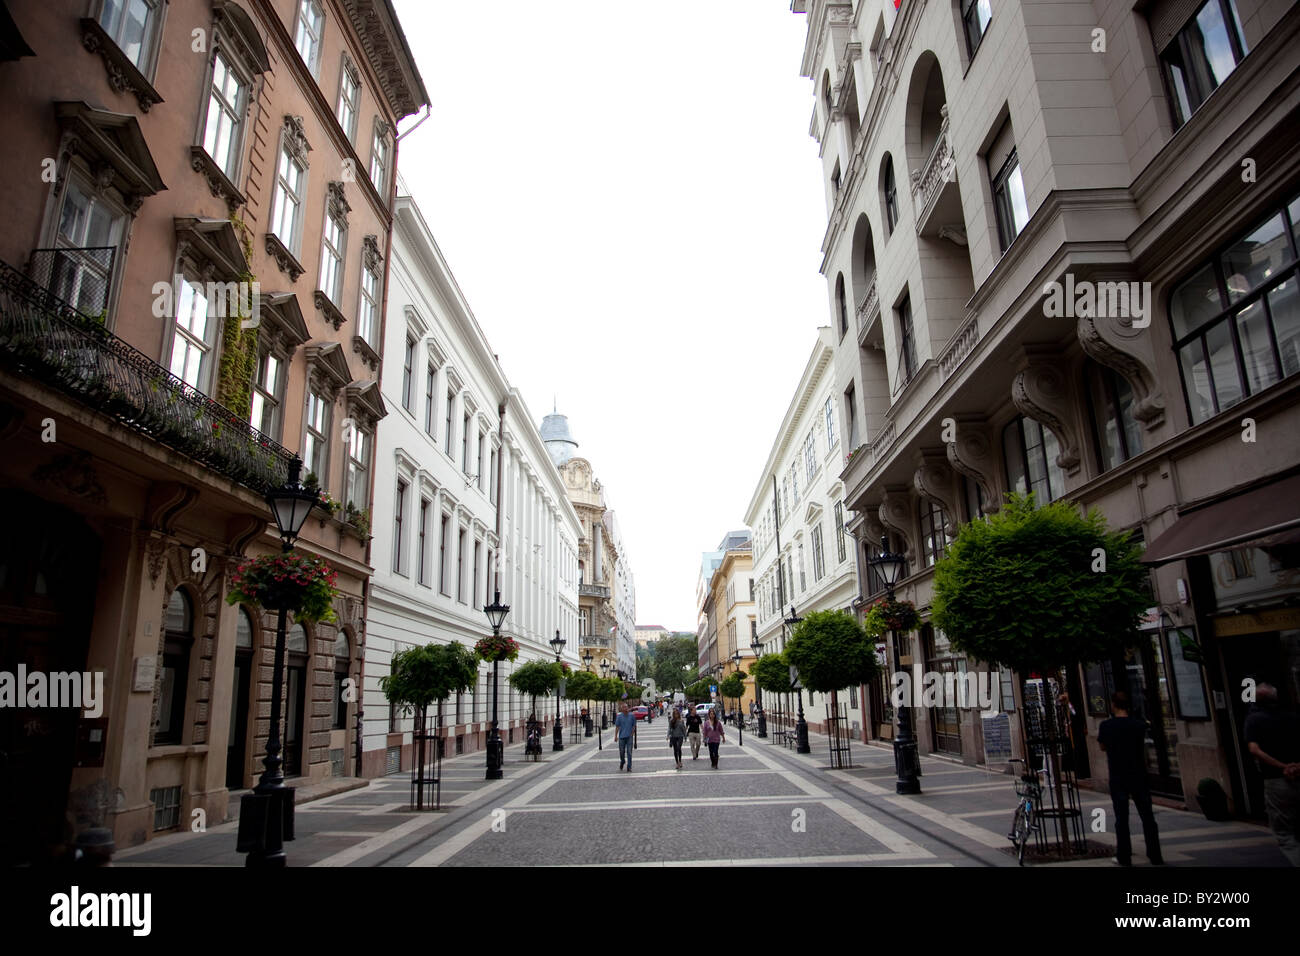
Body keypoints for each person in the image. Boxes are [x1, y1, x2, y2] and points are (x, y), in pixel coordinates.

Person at [1097, 690, 1163, 866]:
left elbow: (1103, 746)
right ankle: (1155, 855)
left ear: (1113, 704)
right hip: (1138, 774)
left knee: (1121, 818)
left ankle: (1124, 856)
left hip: (1118, 775)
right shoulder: (1138, 725)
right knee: (1148, 816)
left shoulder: (1106, 726)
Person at [1243, 682, 1300, 866]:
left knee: (1284, 833)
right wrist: (1296, 766)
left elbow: (1254, 749)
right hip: (1297, 774)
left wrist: (1282, 766)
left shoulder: (1254, 720)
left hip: (1277, 780)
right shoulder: (1293, 717)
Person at [614, 701, 637, 772]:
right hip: (621, 737)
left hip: (629, 737)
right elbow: (617, 726)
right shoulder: (619, 716)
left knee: (629, 752)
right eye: (624, 707)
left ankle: (629, 766)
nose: (625, 708)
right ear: (621, 709)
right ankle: (622, 761)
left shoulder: (632, 715)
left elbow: (634, 725)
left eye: (626, 707)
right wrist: (615, 736)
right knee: (621, 752)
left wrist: (632, 733)